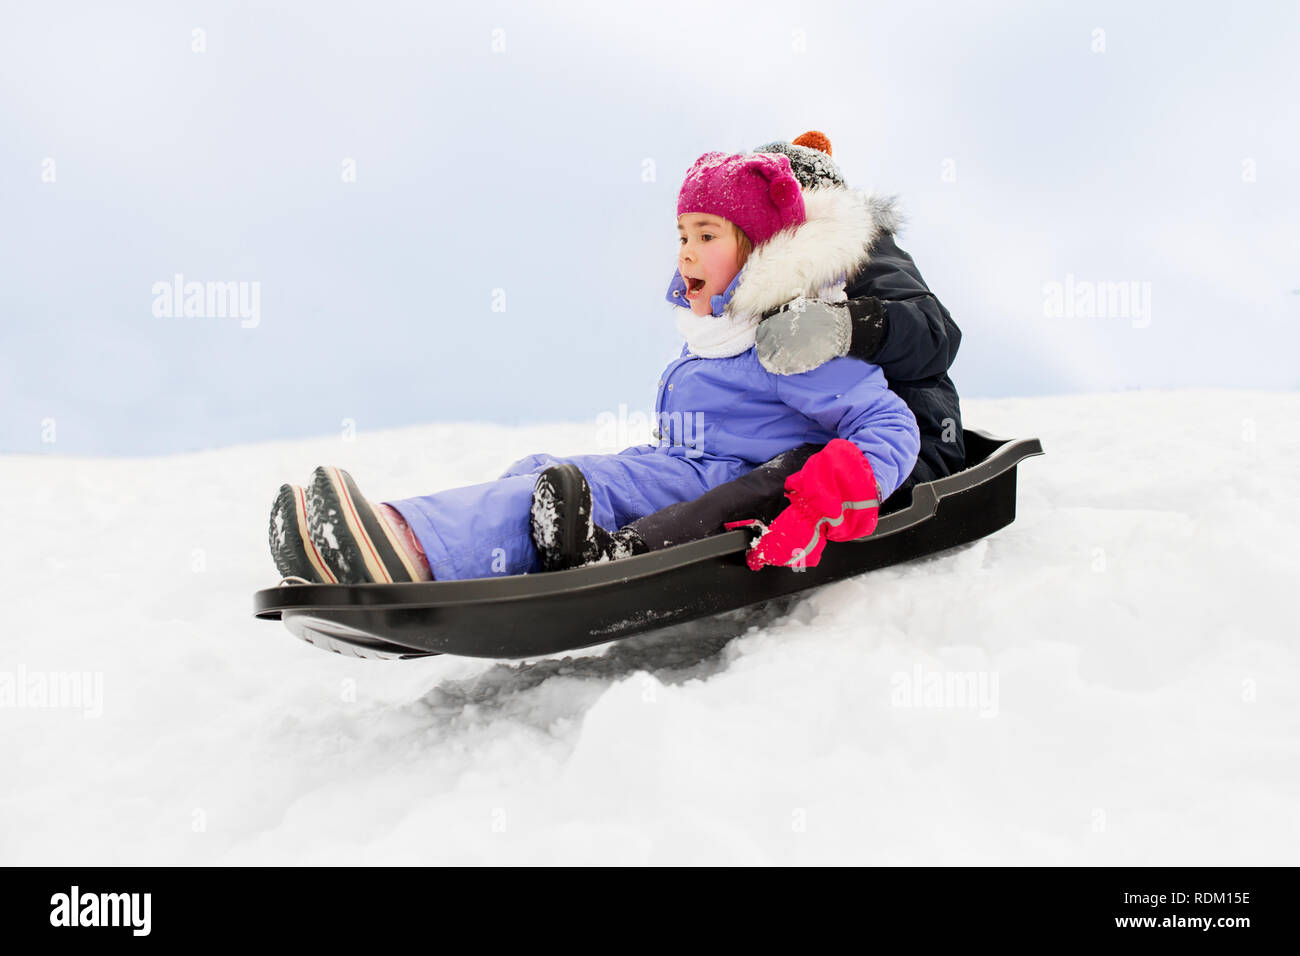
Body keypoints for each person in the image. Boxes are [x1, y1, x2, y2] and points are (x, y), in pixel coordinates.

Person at [267, 149, 920, 584]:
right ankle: (394, 543)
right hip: (685, 470)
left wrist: (826, 494)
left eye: (708, 236)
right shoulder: (719, 334)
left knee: (567, 492)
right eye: (683, 235)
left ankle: (402, 547)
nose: (687, 253)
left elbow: (887, 426)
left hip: (727, 491)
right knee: (548, 475)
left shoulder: (785, 339)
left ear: (759, 252)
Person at [538, 131, 964, 571]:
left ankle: (636, 552)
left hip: (902, 447)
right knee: (724, 471)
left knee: (787, 475)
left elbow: (937, 334)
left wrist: (846, 326)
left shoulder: (859, 248)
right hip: (830, 431)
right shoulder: (776, 268)